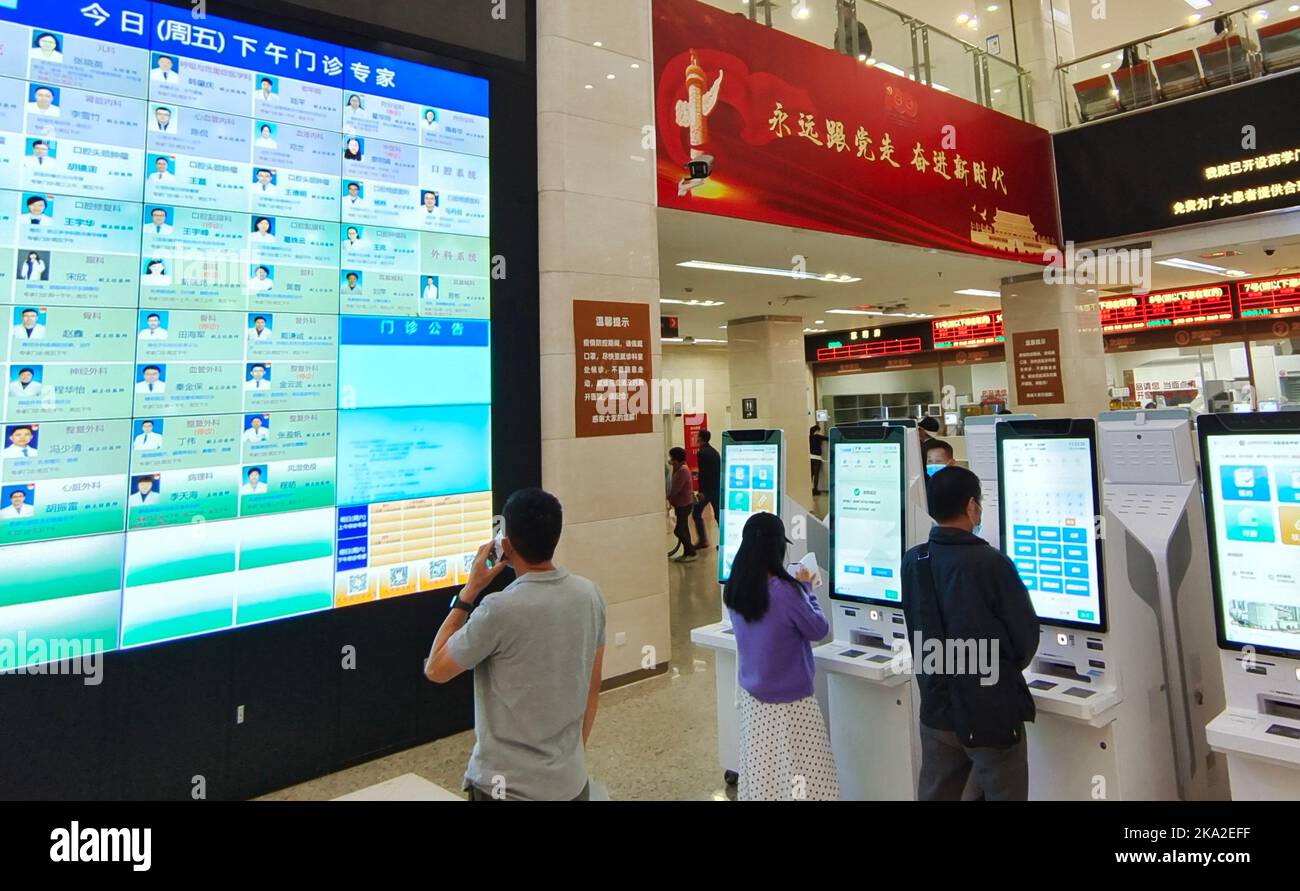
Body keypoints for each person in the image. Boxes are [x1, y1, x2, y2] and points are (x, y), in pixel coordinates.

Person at [424, 487, 607, 801]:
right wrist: (568, 761)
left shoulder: (499, 609)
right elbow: (592, 685)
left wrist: (469, 593)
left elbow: (436, 668)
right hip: (571, 783)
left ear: (505, 544)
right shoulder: (590, 594)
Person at [901, 466, 1040, 801]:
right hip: (989, 707)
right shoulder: (990, 562)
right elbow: (1024, 636)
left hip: (936, 702)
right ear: (970, 507)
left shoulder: (913, 560)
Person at [724, 511, 838, 800]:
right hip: (792, 704)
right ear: (777, 547)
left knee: (765, 777)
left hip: (754, 703)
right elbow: (818, 629)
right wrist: (807, 589)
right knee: (806, 777)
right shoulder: (787, 592)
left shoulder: (735, 587)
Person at [666, 447, 697, 563]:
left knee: (678, 530)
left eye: (672, 458)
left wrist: (667, 497)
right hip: (682, 504)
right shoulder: (679, 468)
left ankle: (692, 551)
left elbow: (674, 489)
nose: (670, 461)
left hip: (683, 505)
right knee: (684, 529)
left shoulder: (683, 471)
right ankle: (687, 552)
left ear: (676, 459)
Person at [691, 430, 721, 549]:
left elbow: (704, 473)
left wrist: (701, 490)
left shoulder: (702, 453)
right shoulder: (715, 452)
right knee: (718, 515)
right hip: (716, 487)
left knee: (696, 513)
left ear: (701, 438)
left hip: (707, 489)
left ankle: (703, 540)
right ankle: (724, 541)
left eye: (697, 436)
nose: (696, 438)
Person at [809, 423, 829, 495]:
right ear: (817, 430)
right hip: (817, 458)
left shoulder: (809, 437)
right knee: (816, 474)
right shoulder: (818, 437)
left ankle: (809, 489)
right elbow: (828, 438)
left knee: (811, 474)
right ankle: (815, 490)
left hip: (810, 458)